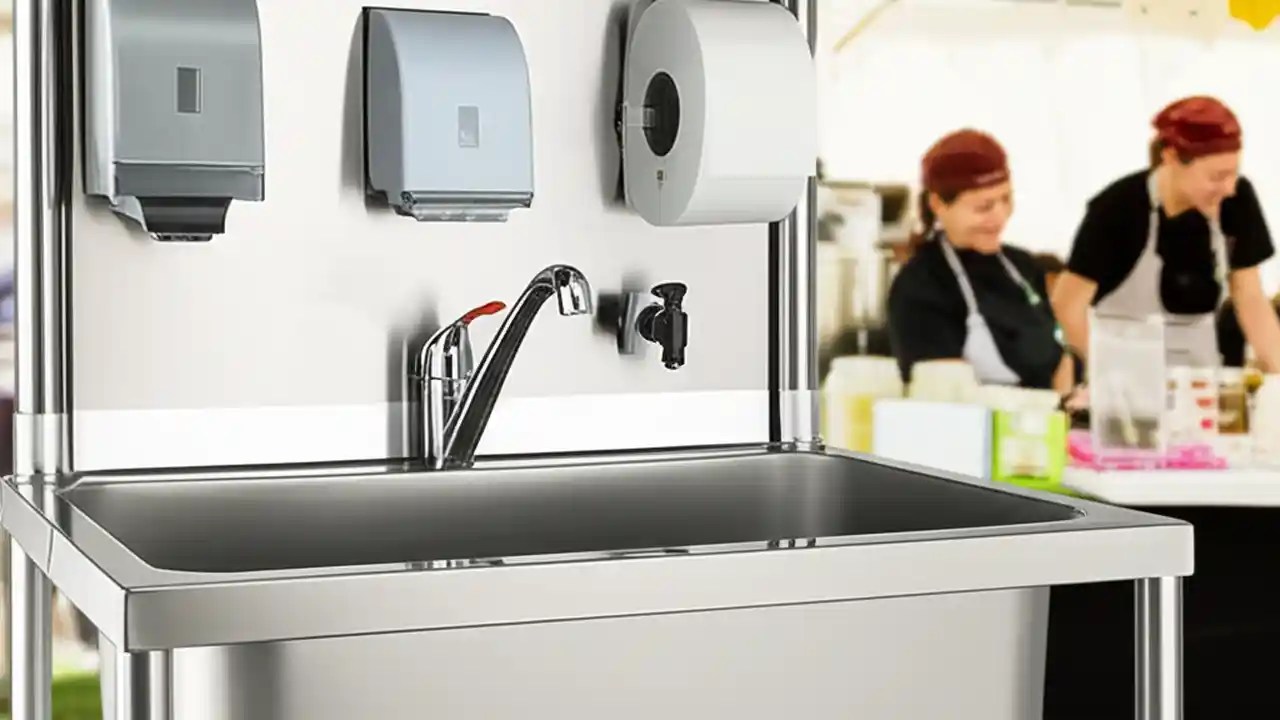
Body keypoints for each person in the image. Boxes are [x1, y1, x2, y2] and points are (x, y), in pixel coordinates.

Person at [1052, 96, 1280, 372]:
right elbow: (1068, 305)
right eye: (1217, 176)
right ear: (1171, 157)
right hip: (1123, 372)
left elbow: (1251, 299)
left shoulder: (1236, 201)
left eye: (1234, 174)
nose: (1229, 188)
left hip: (1200, 374)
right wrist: (1102, 376)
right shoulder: (1118, 207)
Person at [888, 129, 1074, 393]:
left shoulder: (1023, 267)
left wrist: (1062, 409)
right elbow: (941, 392)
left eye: (1006, 200)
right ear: (938, 204)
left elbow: (1059, 360)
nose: (1000, 216)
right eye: (983, 207)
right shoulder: (921, 285)